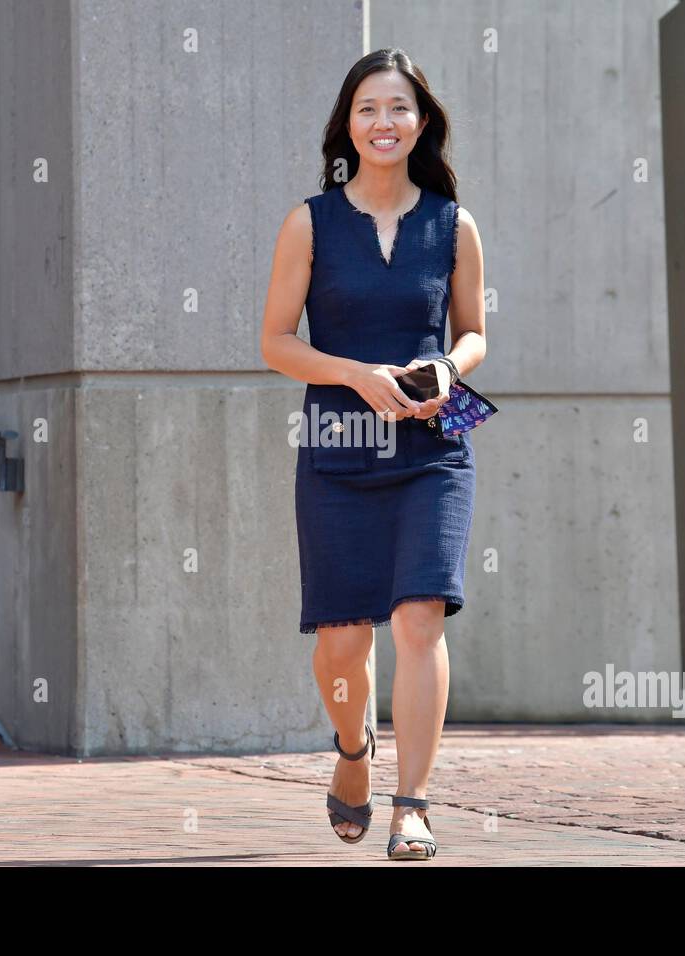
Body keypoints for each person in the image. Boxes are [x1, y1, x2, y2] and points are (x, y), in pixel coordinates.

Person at [260, 48, 486, 860]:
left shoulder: (453, 224)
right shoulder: (309, 222)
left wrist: (448, 367)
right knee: (343, 640)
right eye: (367, 109)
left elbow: (475, 333)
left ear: (421, 121)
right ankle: (353, 756)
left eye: (398, 109)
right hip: (337, 448)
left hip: (433, 445)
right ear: (347, 126)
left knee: (420, 615)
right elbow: (276, 341)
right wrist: (354, 373)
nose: (382, 123)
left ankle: (413, 805)